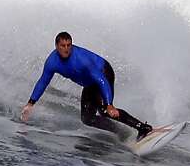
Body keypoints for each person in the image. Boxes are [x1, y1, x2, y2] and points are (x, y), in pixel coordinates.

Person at [19, 31, 154, 140]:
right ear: (56, 46)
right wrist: (31, 103)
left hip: (103, 73)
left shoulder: (81, 59)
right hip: (90, 83)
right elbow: (43, 81)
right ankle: (119, 131)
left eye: (69, 45)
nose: (66, 49)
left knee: (105, 110)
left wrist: (109, 103)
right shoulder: (52, 62)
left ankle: (143, 128)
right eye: (63, 46)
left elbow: (101, 79)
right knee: (87, 118)